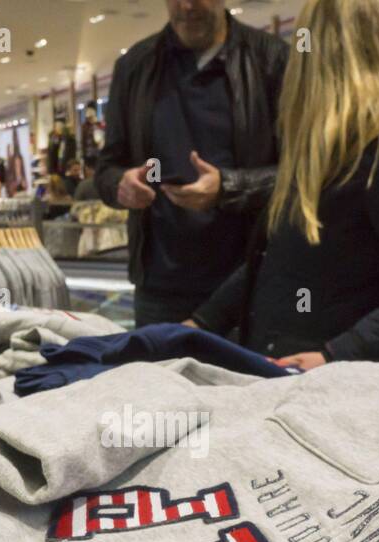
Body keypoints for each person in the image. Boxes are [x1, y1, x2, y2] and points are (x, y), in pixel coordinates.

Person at [186, 0, 379, 365]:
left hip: (336, 395)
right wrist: (204, 320)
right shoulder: (329, 145)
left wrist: (337, 356)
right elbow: (281, 259)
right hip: (290, 378)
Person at [95, 0, 288, 326]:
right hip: (160, 287)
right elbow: (108, 167)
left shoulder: (271, 59)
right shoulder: (135, 66)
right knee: (157, 377)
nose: (187, 6)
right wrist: (121, 185)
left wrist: (229, 187)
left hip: (247, 283)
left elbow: (304, 174)